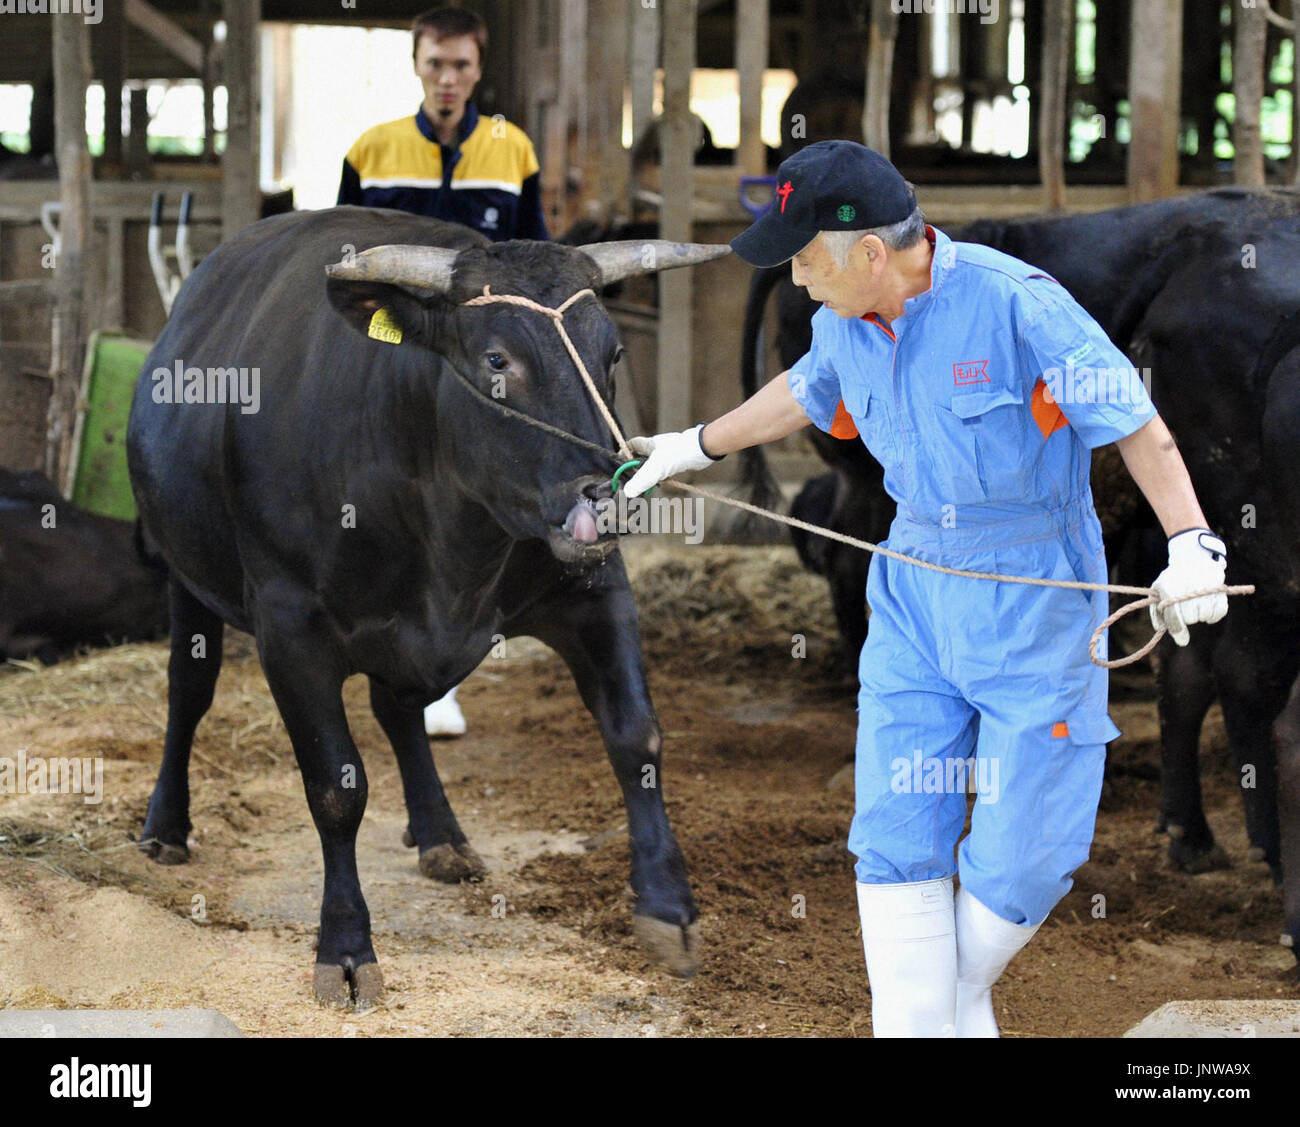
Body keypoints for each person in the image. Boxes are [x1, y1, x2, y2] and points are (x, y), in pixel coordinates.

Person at [624, 140, 1228, 1037]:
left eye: (803, 255)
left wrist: (1192, 543)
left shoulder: (1017, 304)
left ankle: (949, 1000)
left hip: (1033, 592)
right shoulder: (842, 320)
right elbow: (807, 387)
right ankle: (922, 1024)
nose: (793, 278)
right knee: (897, 832)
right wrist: (696, 442)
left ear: (869, 252)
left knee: (1028, 849)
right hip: (911, 587)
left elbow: (1135, 422)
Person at [339, 7, 550, 737]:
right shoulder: (373, 149)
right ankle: (390, 650)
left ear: (478, 68)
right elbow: (348, 260)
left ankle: (445, 671)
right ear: (416, 65)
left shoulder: (512, 150)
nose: (448, 79)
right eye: (435, 64)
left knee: (468, 503)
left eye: (460, 65)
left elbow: (534, 261)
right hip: (398, 352)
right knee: (397, 496)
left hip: (481, 363)